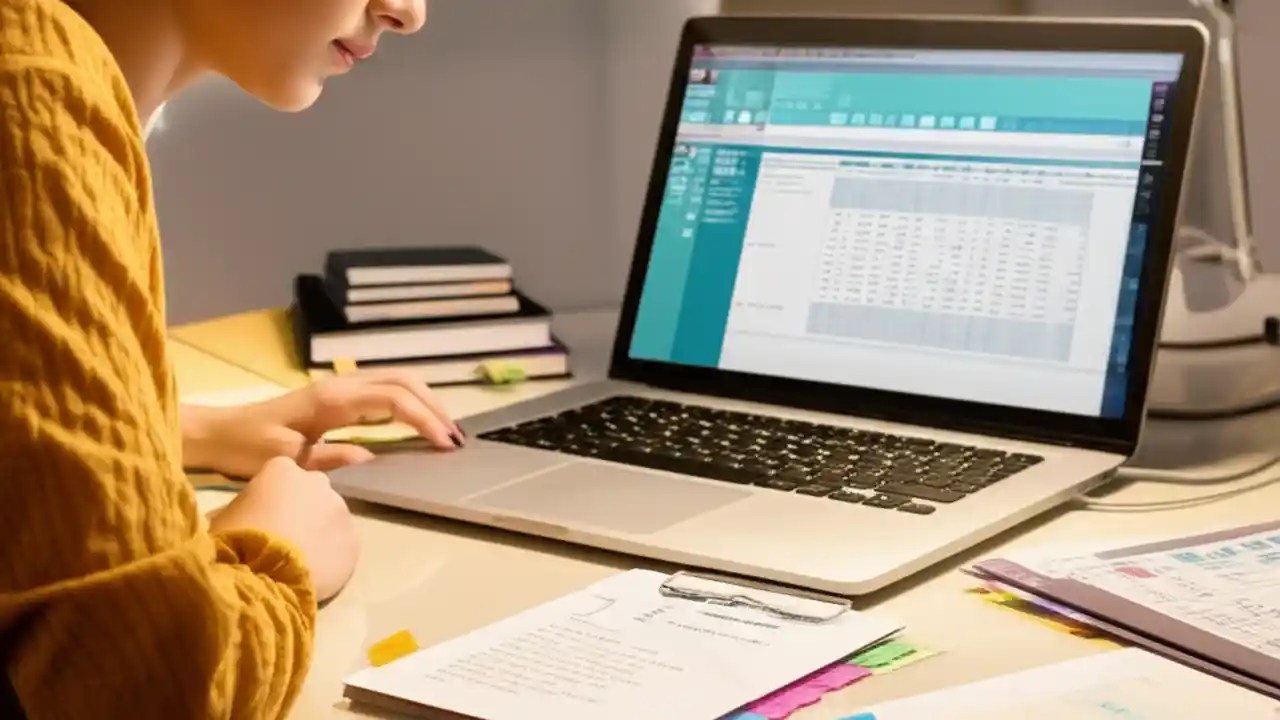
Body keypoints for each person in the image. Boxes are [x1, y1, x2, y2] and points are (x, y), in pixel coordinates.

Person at [0, 0, 442, 716]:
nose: (407, 12)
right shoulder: (27, 88)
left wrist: (174, 431)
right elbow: (148, 689)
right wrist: (273, 552)